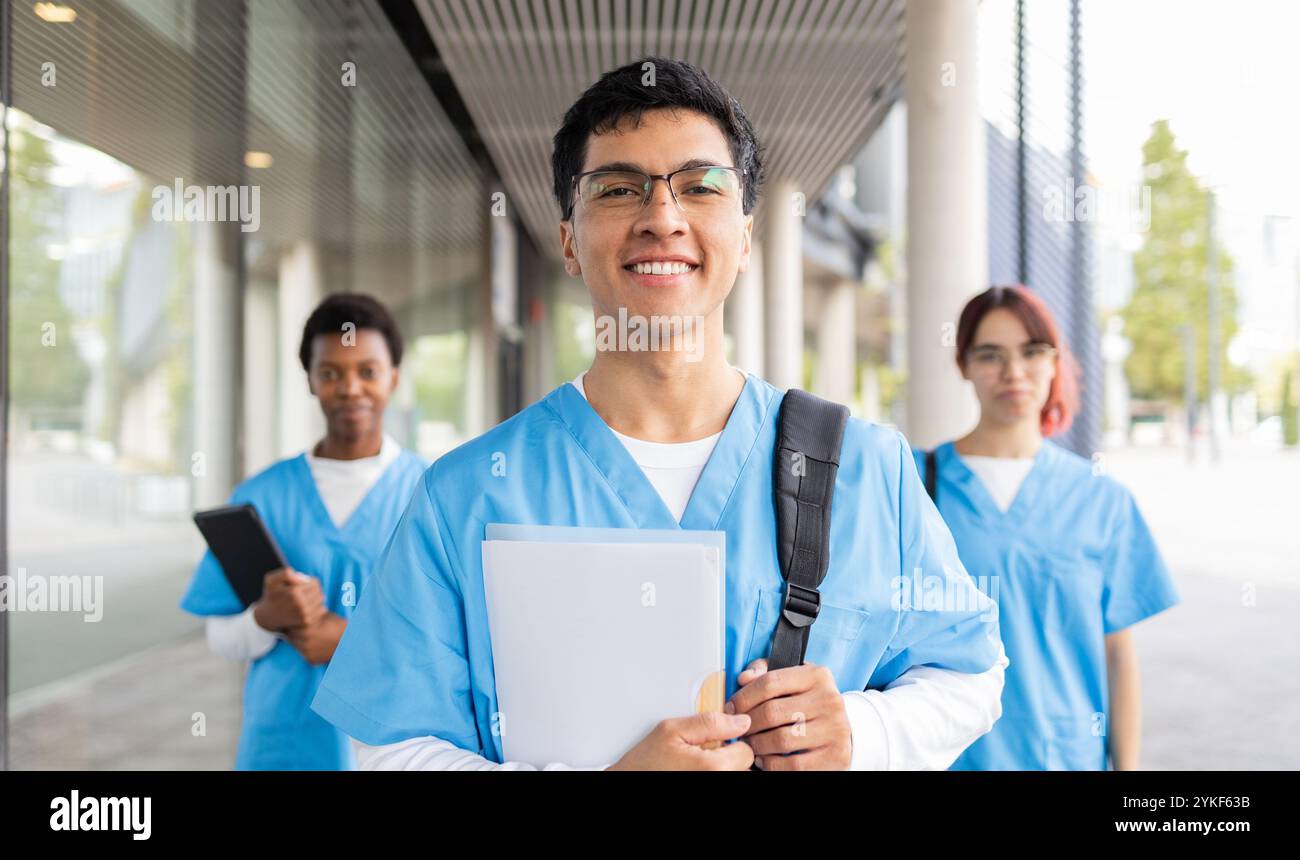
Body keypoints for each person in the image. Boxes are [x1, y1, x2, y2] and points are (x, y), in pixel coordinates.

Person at [312, 57, 1008, 771]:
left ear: (744, 238)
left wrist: (863, 730)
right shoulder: (464, 494)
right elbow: (392, 748)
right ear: (569, 241)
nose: (661, 218)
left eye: (700, 187)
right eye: (618, 189)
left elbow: (972, 674)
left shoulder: (866, 467)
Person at [914, 285, 1179, 770]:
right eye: (991, 355)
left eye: (1032, 352)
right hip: (952, 758)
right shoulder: (915, 487)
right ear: (963, 365)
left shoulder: (1102, 499)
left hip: (1067, 759)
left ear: (1055, 361)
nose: (1014, 373)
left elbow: (1118, 656)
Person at [180, 292, 427, 769]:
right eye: (331, 373)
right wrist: (263, 618)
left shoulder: (432, 494)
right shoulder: (261, 496)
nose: (350, 388)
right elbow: (221, 639)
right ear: (311, 382)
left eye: (367, 371)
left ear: (393, 377)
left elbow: (462, 643)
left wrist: (353, 646)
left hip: (396, 750)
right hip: (284, 749)